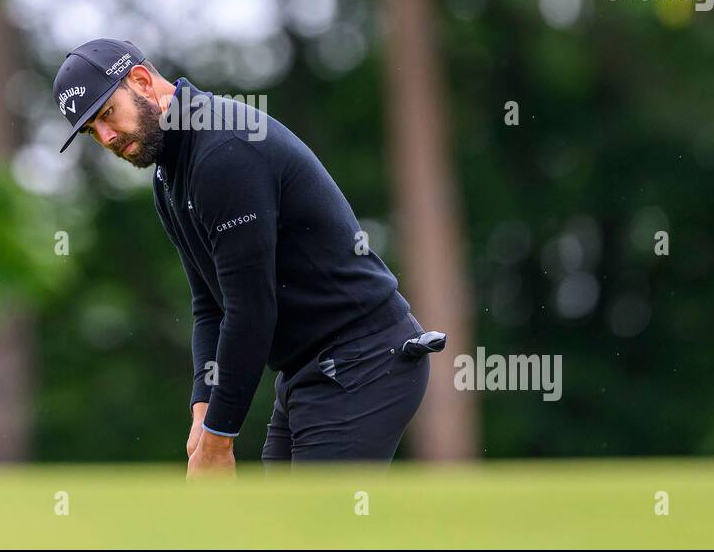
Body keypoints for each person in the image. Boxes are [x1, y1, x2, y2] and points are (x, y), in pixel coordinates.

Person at [52, 38, 443, 478]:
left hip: (366, 361)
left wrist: (220, 438)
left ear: (142, 81)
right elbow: (209, 305)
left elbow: (251, 311)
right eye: (92, 131)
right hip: (308, 372)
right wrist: (202, 414)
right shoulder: (169, 175)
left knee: (318, 534)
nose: (106, 137)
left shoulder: (222, 151)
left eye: (107, 115)